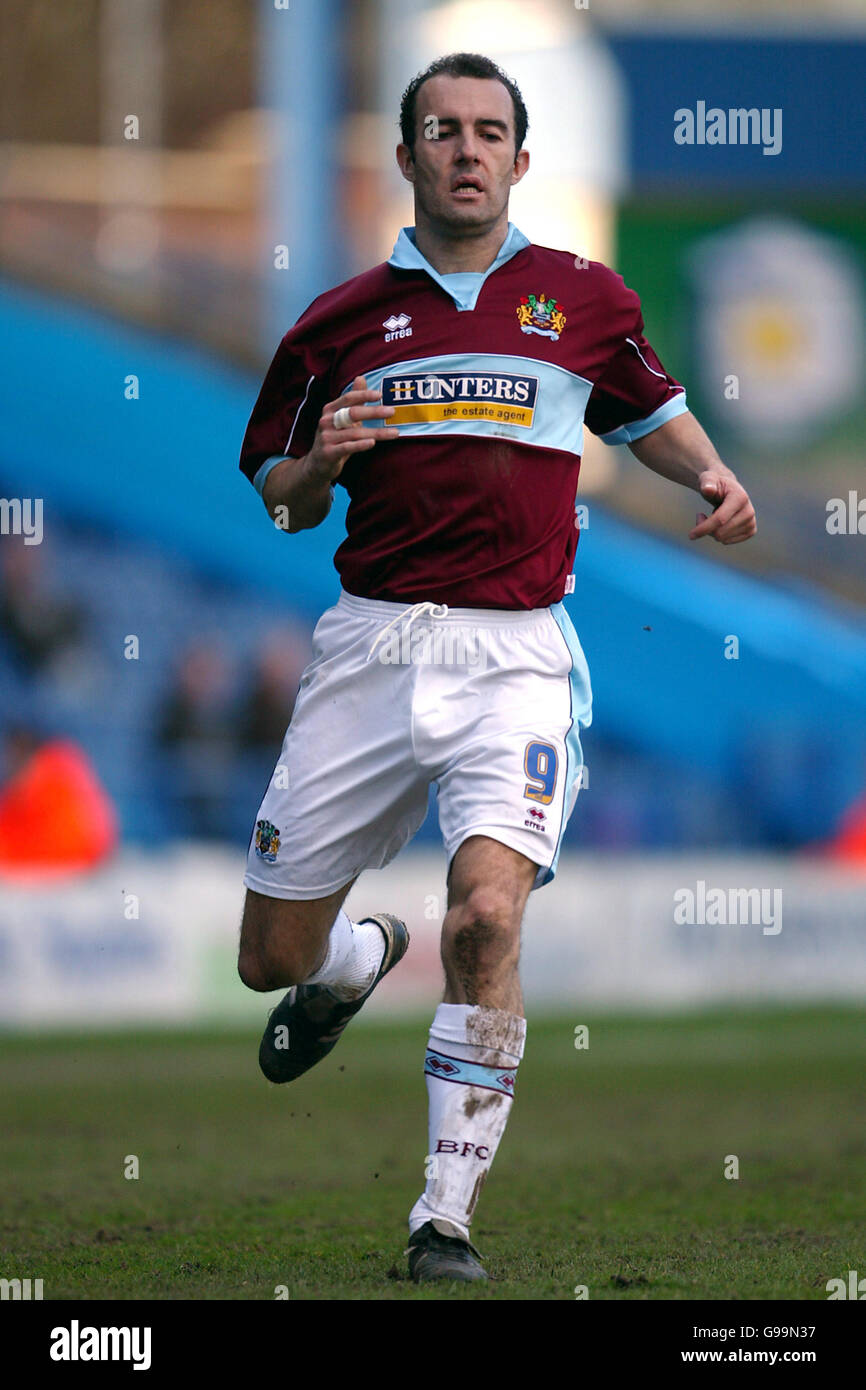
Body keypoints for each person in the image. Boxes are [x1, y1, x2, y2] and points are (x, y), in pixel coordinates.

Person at [236, 52, 757, 1284]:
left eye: (487, 132)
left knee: (483, 915)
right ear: (407, 155)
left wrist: (713, 473)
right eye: (441, 131)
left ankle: (442, 1214)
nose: (465, 150)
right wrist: (318, 465)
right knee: (269, 959)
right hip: (369, 645)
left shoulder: (580, 299)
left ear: (518, 160)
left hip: (514, 654)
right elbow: (279, 498)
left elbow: (646, 406)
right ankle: (355, 959)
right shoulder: (335, 324)